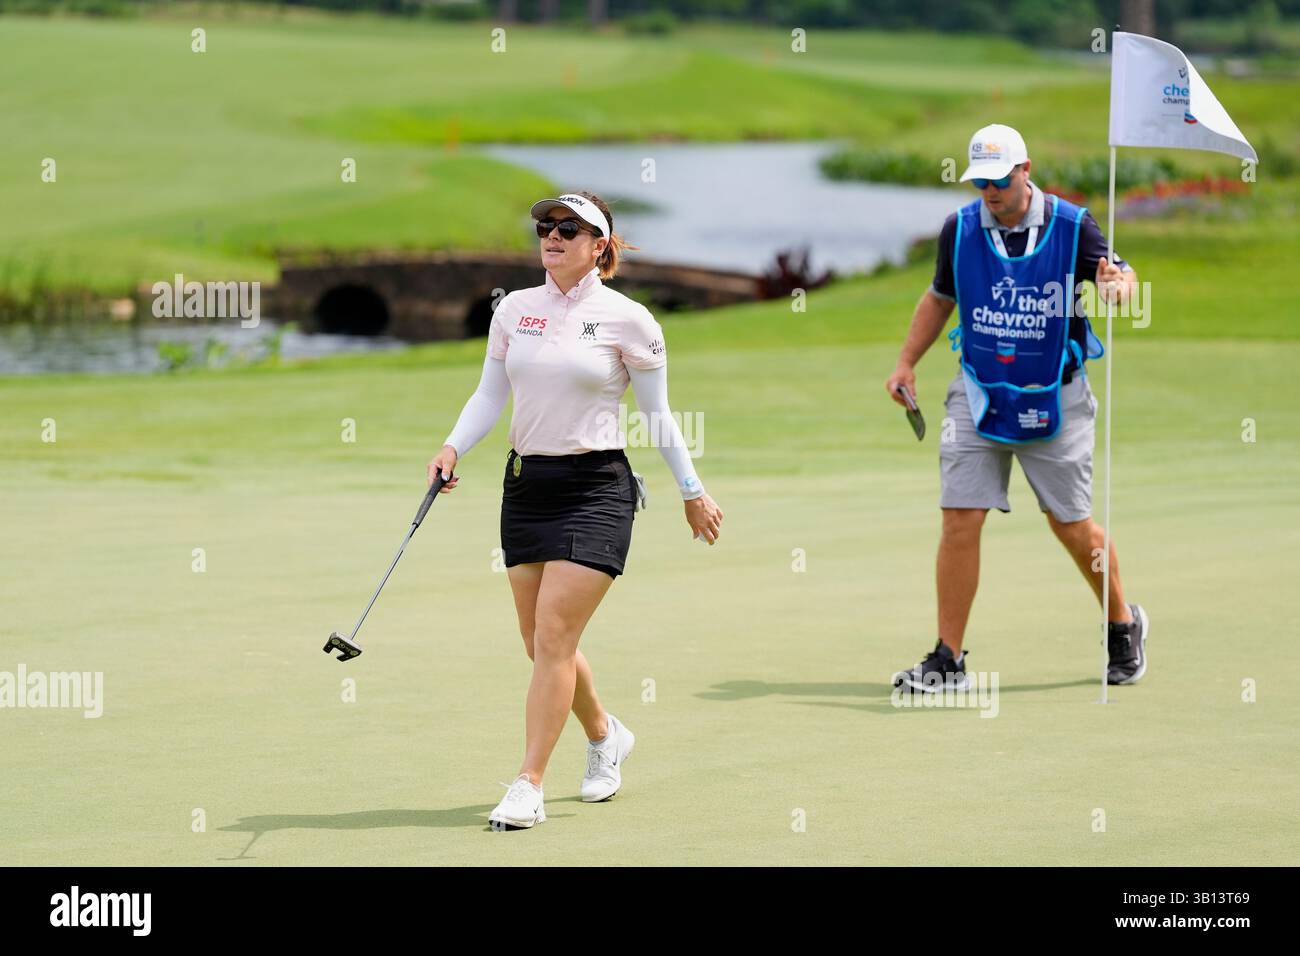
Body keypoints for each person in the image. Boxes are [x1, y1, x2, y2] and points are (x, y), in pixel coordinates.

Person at [428, 191, 724, 830]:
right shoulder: (514, 310)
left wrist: (692, 491)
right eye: (546, 226)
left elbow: (658, 415)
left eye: (569, 228)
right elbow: (490, 394)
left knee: (555, 636)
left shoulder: (629, 320)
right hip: (526, 488)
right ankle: (605, 735)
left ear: (599, 246)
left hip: (596, 490)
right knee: (540, 643)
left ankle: (527, 785)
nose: (552, 236)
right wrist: (453, 446)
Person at [885, 124, 1149, 691]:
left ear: (1025, 171)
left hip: (1057, 396)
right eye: (981, 182)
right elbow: (940, 297)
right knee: (960, 517)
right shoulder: (959, 229)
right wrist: (906, 362)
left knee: (1071, 525)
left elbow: (1122, 277)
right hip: (978, 393)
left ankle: (1122, 622)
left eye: (1000, 181)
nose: (990, 192)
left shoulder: (1073, 225)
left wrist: (1116, 287)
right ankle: (948, 660)